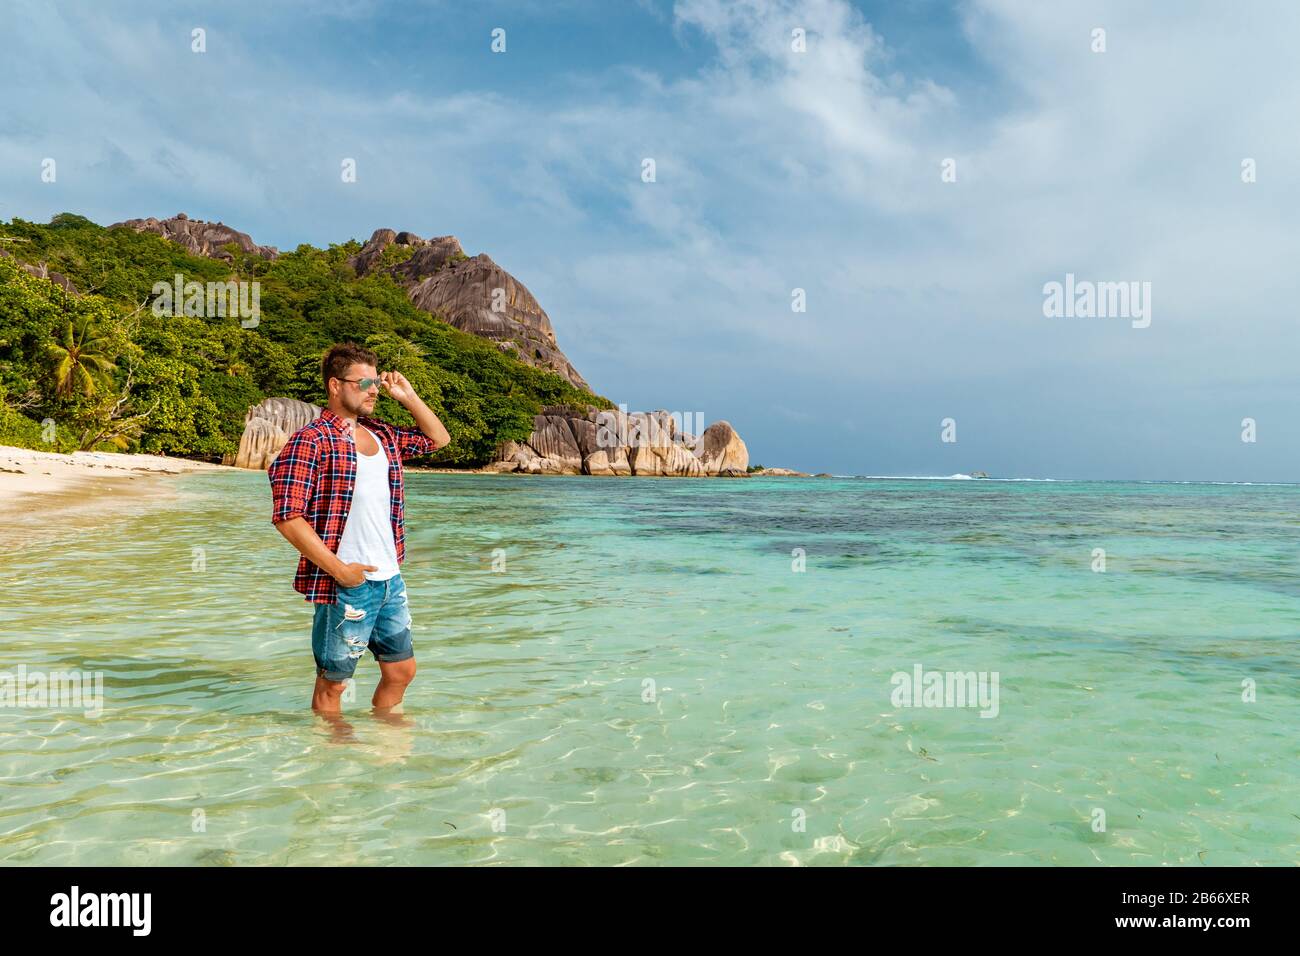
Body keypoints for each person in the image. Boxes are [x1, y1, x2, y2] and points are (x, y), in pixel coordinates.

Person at [268, 342, 451, 714]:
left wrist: (409, 396)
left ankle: (383, 746)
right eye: (363, 382)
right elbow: (288, 516)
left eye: (376, 383)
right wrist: (341, 572)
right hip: (346, 581)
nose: (373, 390)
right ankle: (334, 760)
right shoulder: (311, 440)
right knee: (333, 685)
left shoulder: (382, 434)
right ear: (335, 386)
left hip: (390, 579)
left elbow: (438, 439)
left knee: (401, 671)